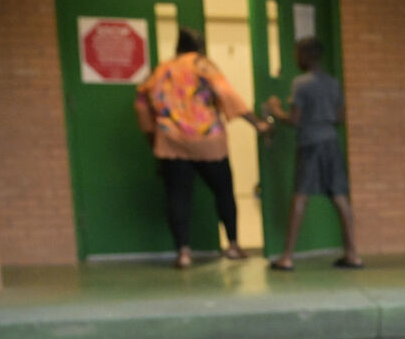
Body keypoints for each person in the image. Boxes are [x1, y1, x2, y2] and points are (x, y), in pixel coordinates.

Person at [134, 29, 270, 268]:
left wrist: (152, 138)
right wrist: (256, 122)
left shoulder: (162, 70)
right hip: (209, 141)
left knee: (178, 196)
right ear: (199, 47)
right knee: (224, 192)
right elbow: (227, 94)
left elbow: (142, 103)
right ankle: (234, 245)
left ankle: (183, 253)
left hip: (171, 141)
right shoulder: (202, 65)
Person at [264, 37, 362, 269]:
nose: (296, 58)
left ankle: (287, 257)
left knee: (300, 196)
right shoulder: (333, 83)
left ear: (307, 56)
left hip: (310, 144)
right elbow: (339, 117)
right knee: (340, 197)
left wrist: (276, 110)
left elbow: (295, 120)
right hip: (331, 142)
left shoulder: (301, 83)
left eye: (298, 54)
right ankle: (353, 254)